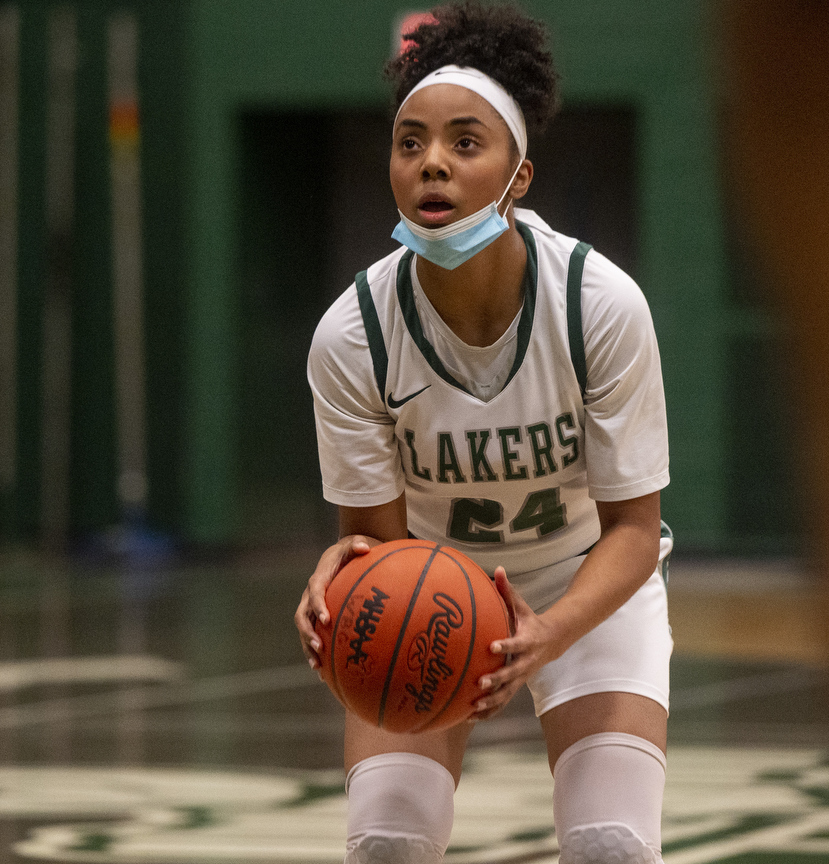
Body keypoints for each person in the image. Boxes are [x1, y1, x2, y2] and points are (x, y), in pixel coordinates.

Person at [294, 4, 674, 862]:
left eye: (466, 143)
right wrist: (341, 570)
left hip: (587, 580)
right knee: (387, 844)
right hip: (436, 593)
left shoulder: (597, 304)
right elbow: (373, 546)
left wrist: (548, 631)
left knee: (610, 845)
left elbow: (634, 532)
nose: (433, 162)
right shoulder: (353, 333)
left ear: (519, 175)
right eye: (411, 144)